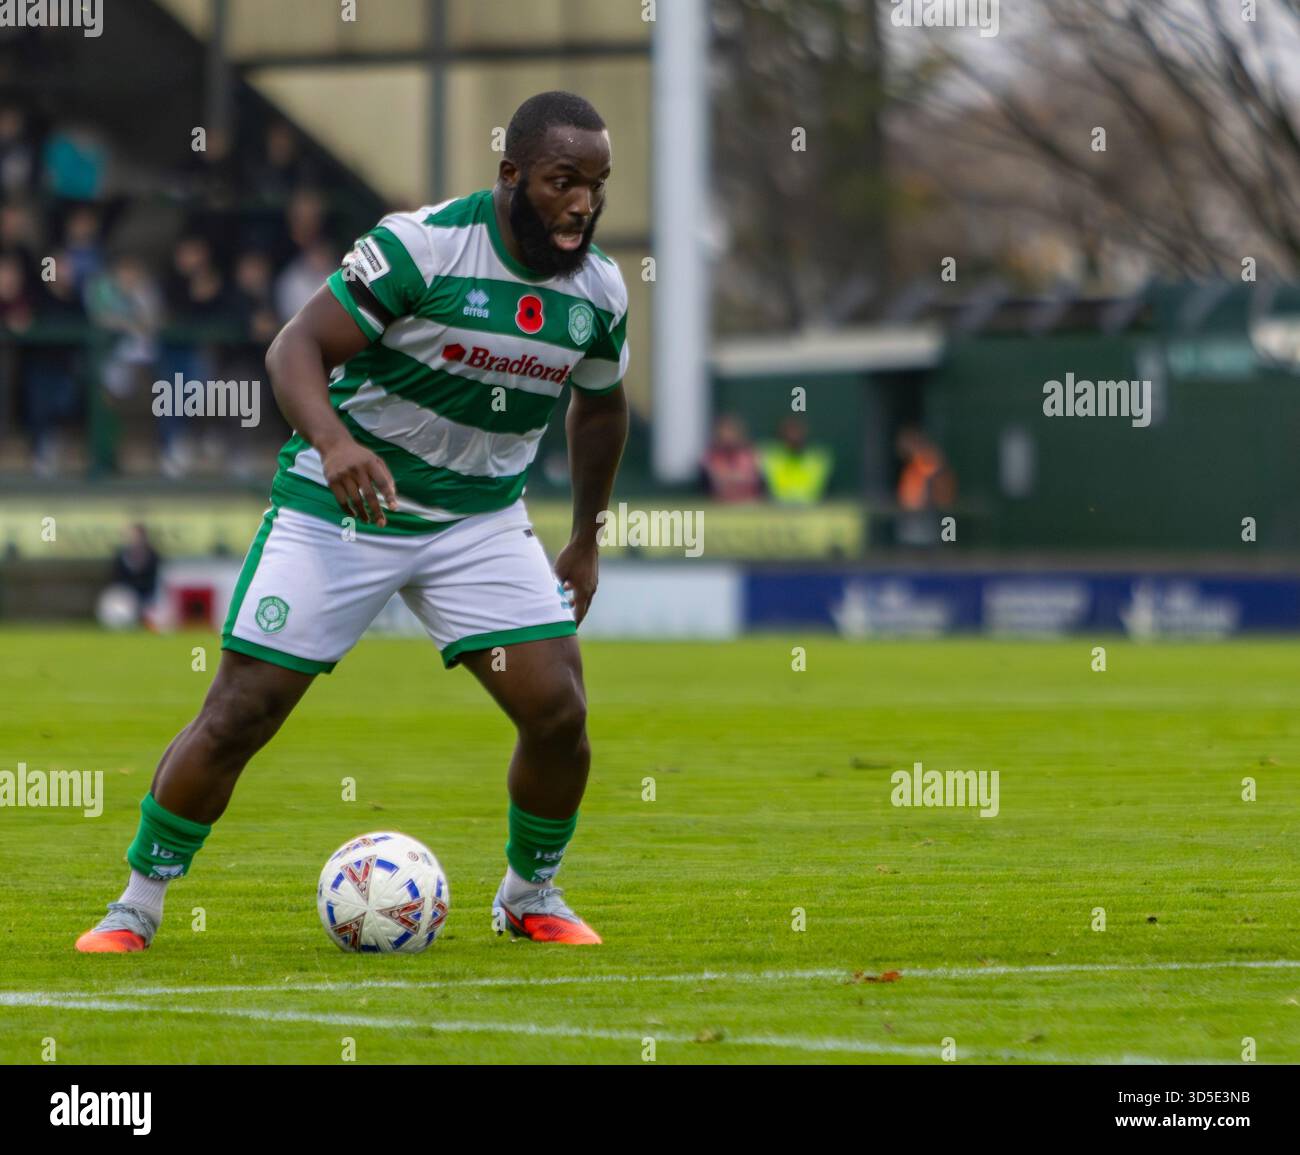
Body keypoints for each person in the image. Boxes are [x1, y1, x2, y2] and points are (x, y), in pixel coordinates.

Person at [76, 90, 629, 952]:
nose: (582, 204)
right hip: (344, 506)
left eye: (597, 185)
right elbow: (294, 347)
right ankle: (135, 905)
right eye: (564, 181)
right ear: (511, 174)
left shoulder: (598, 289)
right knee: (240, 712)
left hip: (479, 521)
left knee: (558, 711)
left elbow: (599, 411)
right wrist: (332, 444)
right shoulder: (423, 245)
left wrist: (587, 536)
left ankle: (530, 894)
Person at [758, 416, 833, 504]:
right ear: (781, 434)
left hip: (809, 508)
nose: (794, 436)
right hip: (777, 508)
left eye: (797, 432)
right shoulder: (770, 455)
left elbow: (811, 492)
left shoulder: (818, 458)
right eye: (790, 432)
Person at [701, 413, 764, 502]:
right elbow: (718, 481)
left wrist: (732, 477)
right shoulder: (711, 456)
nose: (728, 435)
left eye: (731, 431)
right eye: (724, 431)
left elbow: (752, 479)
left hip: (751, 504)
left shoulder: (751, 454)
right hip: (721, 505)